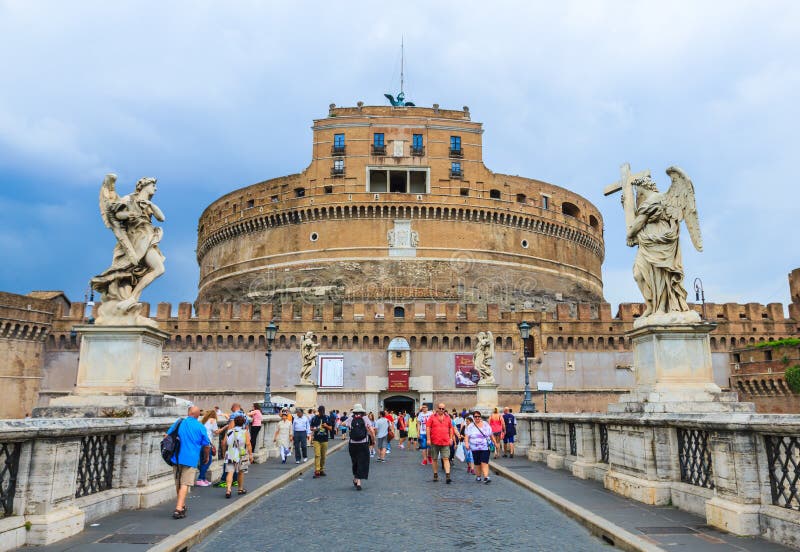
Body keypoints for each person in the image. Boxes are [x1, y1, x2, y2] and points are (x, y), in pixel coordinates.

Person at [166, 406, 210, 519]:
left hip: (176, 457)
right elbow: (206, 445)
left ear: (188, 413)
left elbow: (167, 435)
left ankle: (182, 505)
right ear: (198, 415)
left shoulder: (179, 422)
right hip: (191, 459)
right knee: (185, 484)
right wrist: (206, 457)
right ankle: (178, 508)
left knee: (178, 483)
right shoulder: (200, 427)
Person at [342, 403, 376, 490]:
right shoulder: (365, 418)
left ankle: (356, 478)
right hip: (363, 443)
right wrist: (373, 440)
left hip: (353, 444)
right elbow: (371, 431)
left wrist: (348, 425)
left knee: (355, 461)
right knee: (362, 461)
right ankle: (358, 481)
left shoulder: (351, 418)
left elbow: (342, 424)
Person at [221, 415, 253, 498]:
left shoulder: (229, 431)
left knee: (230, 472)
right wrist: (250, 455)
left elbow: (224, 443)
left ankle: (228, 490)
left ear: (234, 422)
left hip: (230, 453)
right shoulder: (245, 432)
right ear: (243, 423)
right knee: (241, 472)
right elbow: (248, 444)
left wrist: (224, 453)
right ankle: (240, 489)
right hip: (241, 454)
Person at [426, 403, 456, 483]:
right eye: (440, 408)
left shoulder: (448, 417)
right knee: (434, 459)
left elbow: (451, 428)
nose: (441, 410)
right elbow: (428, 427)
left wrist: (451, 438)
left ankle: (448, 476)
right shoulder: (432, 417)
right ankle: (435, 474)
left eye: (443, 409)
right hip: (434, 441)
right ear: (437, 408)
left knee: (446, 458)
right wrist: (428, 439)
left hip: (445, 441)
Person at [464, 410, 493, 483]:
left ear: (480, 417)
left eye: (478, 416)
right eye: (475, 416)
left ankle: (486, 477)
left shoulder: (485, 424)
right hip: (474, 448)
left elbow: (490, 434)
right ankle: (478, 476)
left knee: (484, 462)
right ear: (473, 417)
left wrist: (495, 443)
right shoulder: (470, 426)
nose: (477, 418)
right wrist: (466, 443)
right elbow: (466, 436)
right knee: (477, 463)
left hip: (485, 447)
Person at [196, 409, 220, 486]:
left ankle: (203, 478)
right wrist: (225, 427)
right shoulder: (213, 420)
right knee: (208, 461)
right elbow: (216, 432)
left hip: (200, 443)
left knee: (202, 461)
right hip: (207, 442)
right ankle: (200, 479)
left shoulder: (203, 421)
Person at [310, 405, 332, 478]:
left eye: (323, 412)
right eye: (321, 411)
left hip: (325, 440)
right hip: (316, 439)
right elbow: (311, 428)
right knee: (317, 455)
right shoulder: (314, 418)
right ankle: (317, 471)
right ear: (318, 411)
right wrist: (315, 429)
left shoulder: (327, 418)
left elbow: (331, 428)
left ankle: (321, 470)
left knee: (323, 456)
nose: (322, 413)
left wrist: (326, 426)